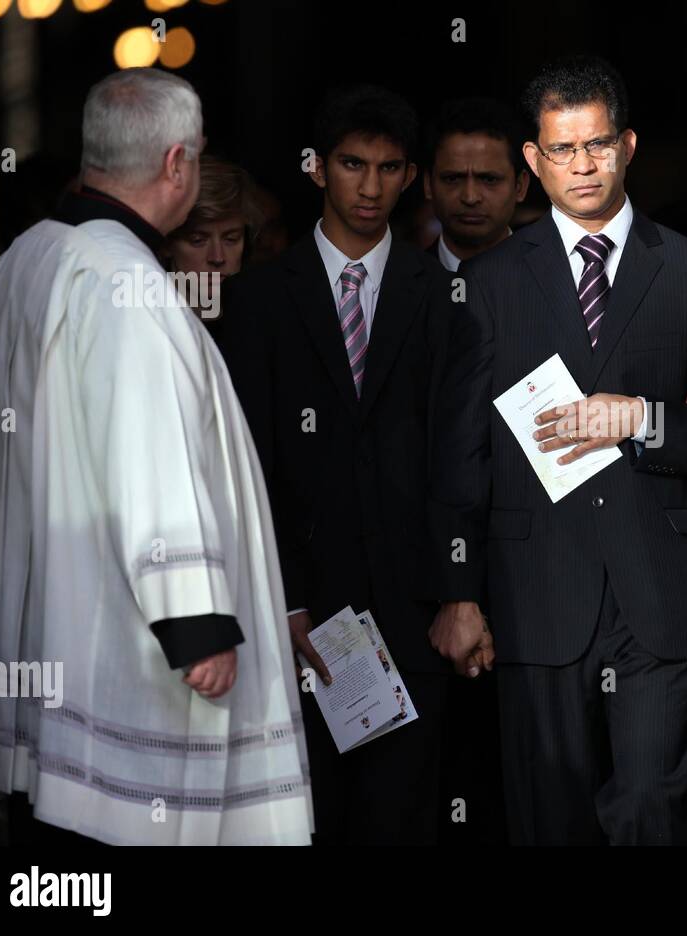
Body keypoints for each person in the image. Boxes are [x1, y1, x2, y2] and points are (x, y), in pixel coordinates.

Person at [0, 68, 311, 845]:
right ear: (177, 163)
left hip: (54, 625)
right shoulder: (129, 286)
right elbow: (146, 452)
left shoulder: (30, 254)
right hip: (124, 645)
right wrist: (195, 618)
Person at [432, 55, 687, 845]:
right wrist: (458, 592)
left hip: (661, 588)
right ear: (533, 159)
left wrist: (643, 418)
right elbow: (459, 450)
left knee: (654, 808)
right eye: (562, 149)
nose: (582, 165)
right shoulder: (488, 283)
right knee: (549, 819)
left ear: (628, 146)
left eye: (597, 145)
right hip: (534, 589)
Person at [217, 85, 482, 845]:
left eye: (389, 167)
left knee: (406, 820)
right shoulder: (259, 299)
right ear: (317, 168)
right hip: (300, 613)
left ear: (411, 177)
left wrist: (459, 592)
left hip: (416, 607)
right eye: (352, 164)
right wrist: (286, 600)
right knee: (307, 824)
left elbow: (460, 453)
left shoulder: (446, 297)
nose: (370, 186)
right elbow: (250, 460)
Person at [423, 97, 530, 272]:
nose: (470, 197)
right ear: (428, 184)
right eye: (452, 179)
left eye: (489, 179)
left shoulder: (557, 278)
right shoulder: (398, 283)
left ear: (520, 186)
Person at [161, 154, 261, 331]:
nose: (217, 257)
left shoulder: (267, 321)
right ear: (167, 243)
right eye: (198, 241)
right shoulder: (145, 320)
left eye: (231, 239)